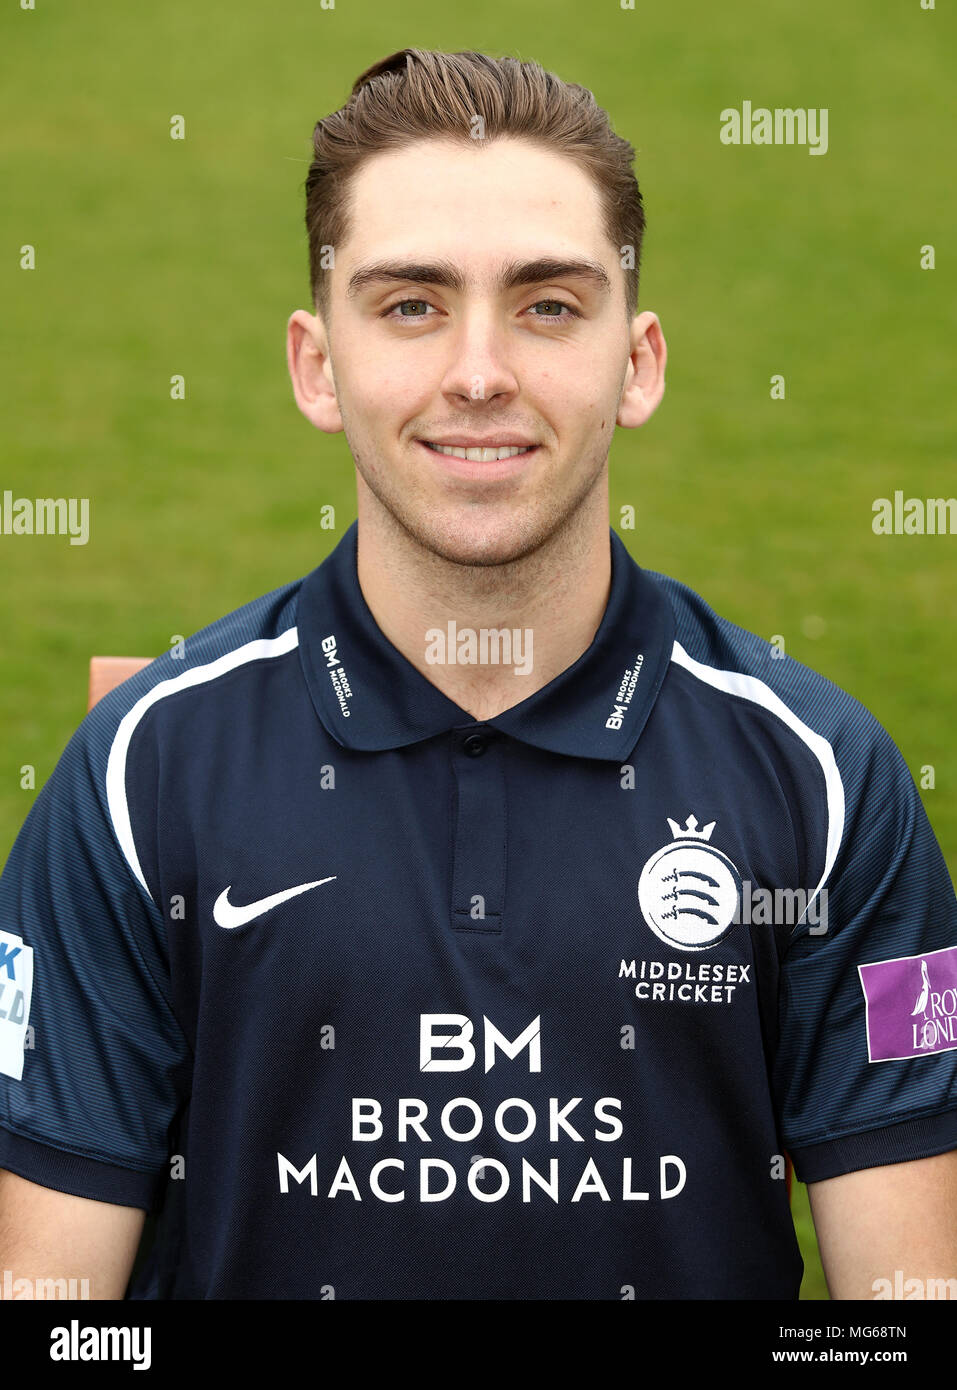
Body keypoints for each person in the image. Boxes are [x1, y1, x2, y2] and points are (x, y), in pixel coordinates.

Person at [0, 47, 954, 1302]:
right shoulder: (138, 774)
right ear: (317, 364)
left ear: (640, 359)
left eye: (550, 303)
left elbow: (906, 1312)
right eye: (411, 305)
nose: (480, 372)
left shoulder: (826, 781)